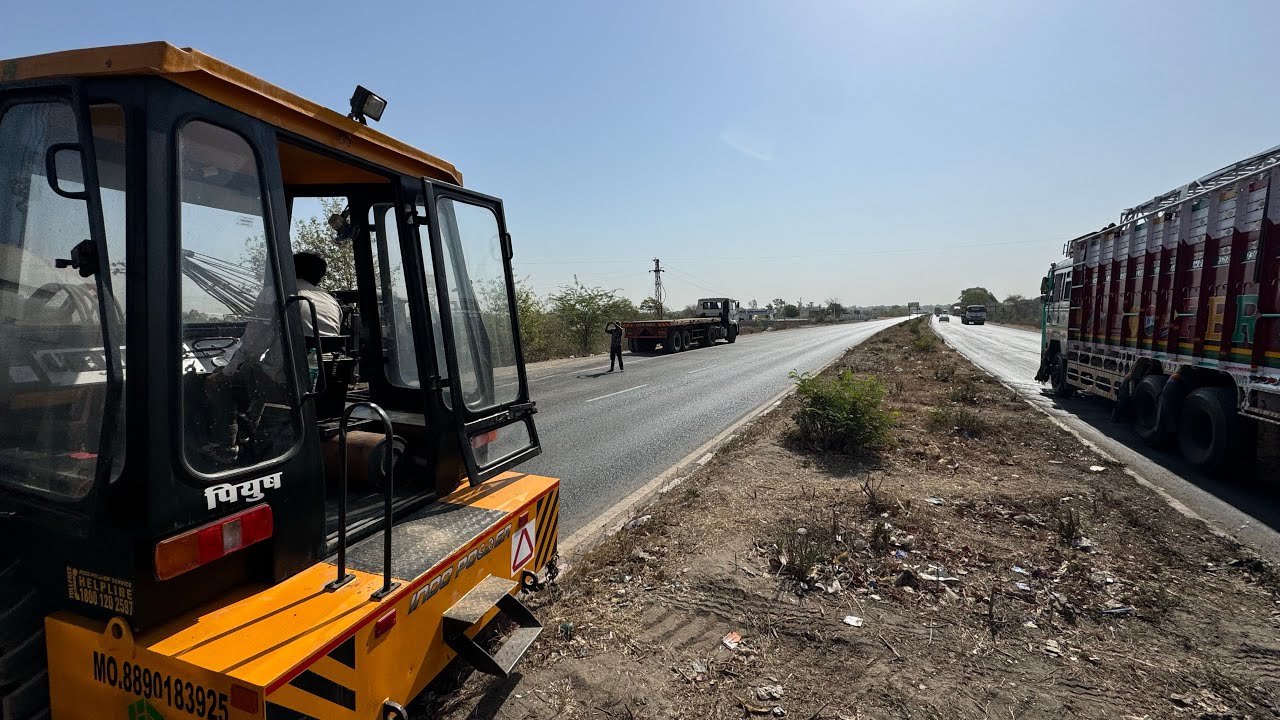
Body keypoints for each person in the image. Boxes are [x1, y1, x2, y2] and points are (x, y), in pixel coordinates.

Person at [201, 252, 341, 465]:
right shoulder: (331, 302)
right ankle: (250, 431)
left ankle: (225, 447)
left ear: (287, 269)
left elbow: (253, 346)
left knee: (221, 383)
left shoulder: (276, 294)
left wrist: (224, 373)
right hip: (317, 385)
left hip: (281, 383)